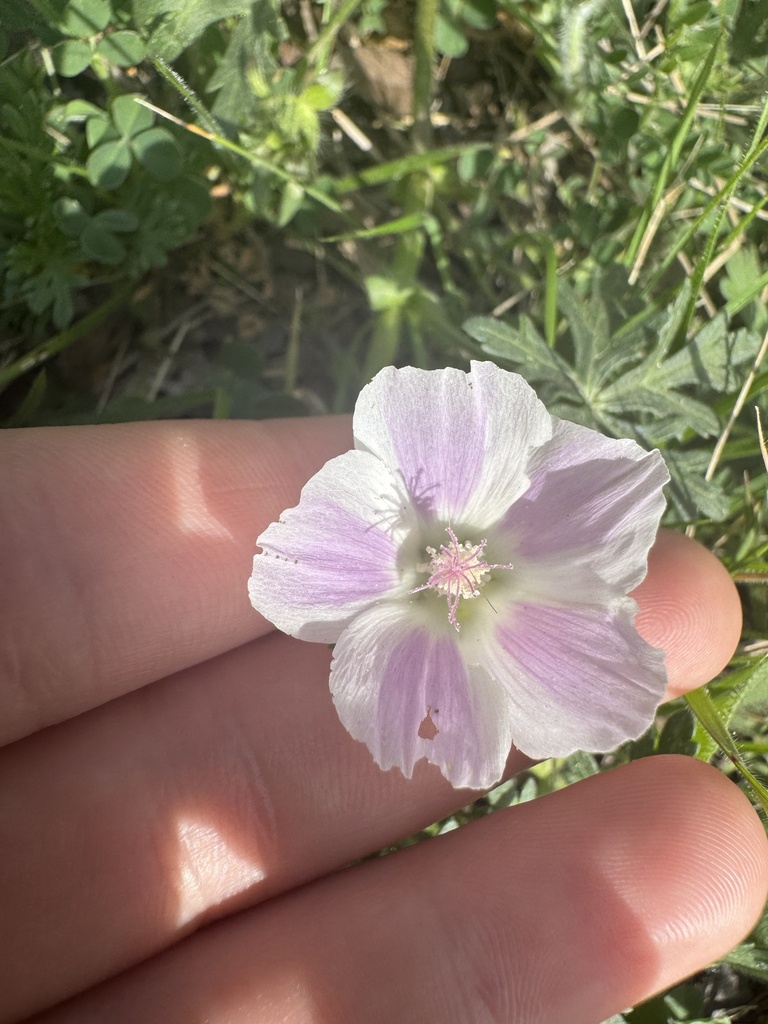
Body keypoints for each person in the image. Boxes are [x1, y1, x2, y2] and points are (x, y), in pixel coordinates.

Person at [0, 417, 766, 1024]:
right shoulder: (410, 559)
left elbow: (594, 499)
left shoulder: (532, 570)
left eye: (461, 566)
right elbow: (333, 565)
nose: (455, 567)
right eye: (449, 565)